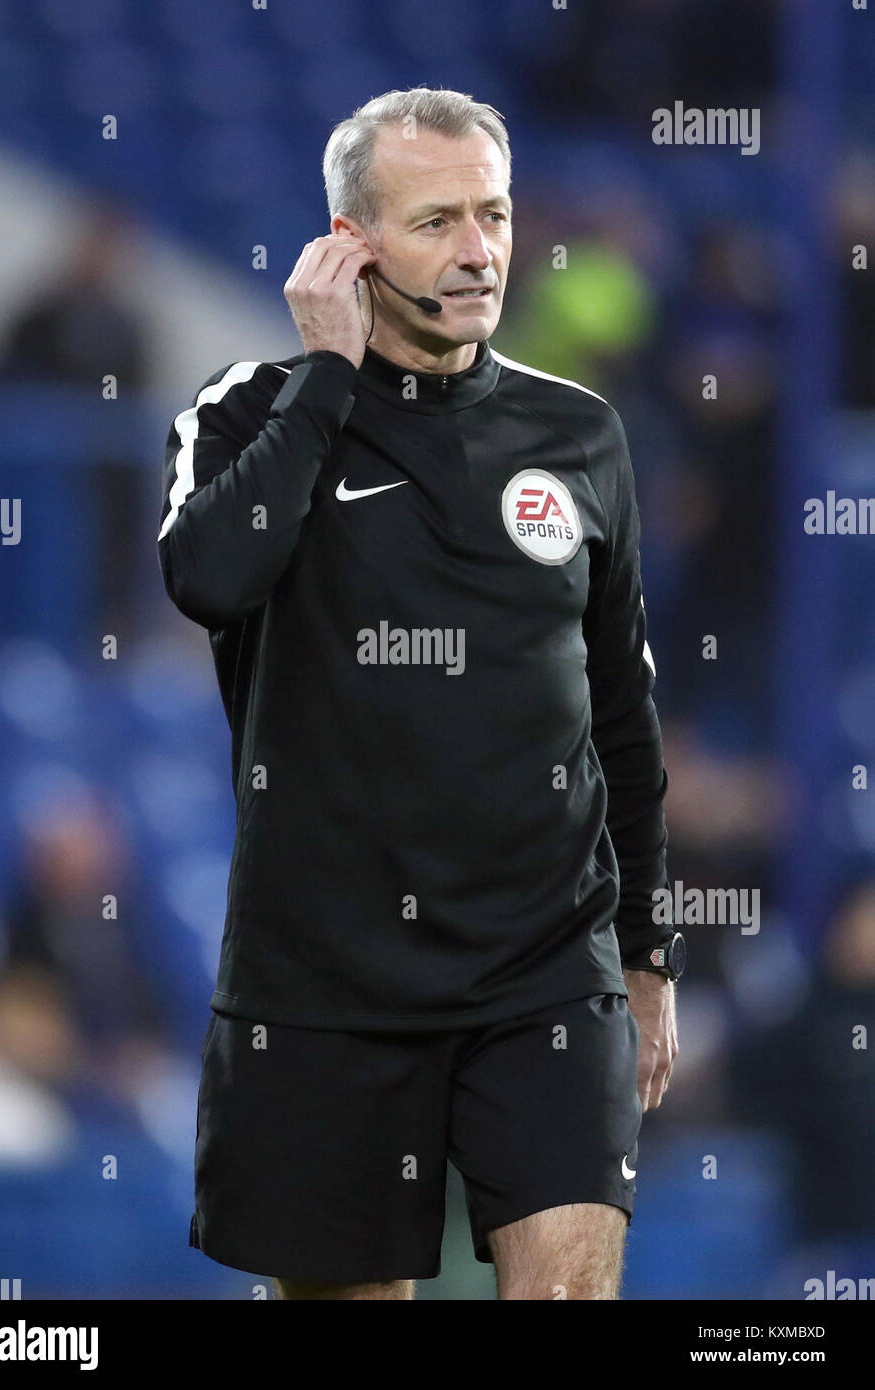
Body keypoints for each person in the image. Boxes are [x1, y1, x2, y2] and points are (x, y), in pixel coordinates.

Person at [157, 86, 681, 1301]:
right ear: (348, 240)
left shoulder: (580, 435)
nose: (480, 251)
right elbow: (209, 579)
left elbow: (621, 716)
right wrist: (329, 378)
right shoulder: (244, 413)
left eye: (493, 215)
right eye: (438, 219)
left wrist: (648, 954)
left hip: (544, 968)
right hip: (321, 984)